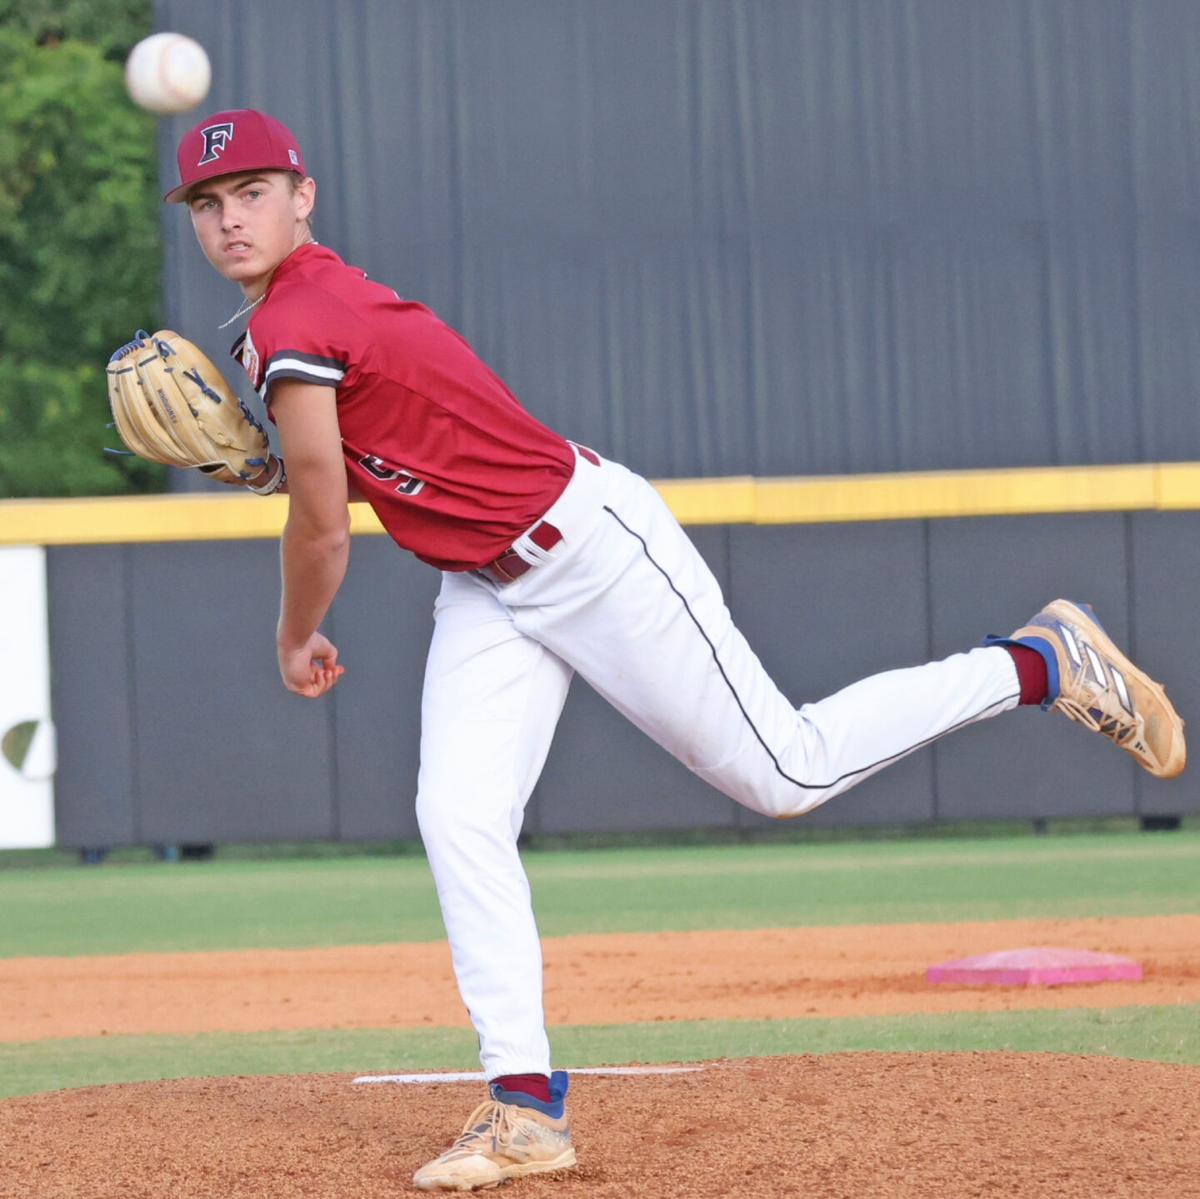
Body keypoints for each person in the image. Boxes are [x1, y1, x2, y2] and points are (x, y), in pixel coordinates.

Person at [165, 109, 1185, 1192]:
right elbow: (379, 460)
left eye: (255, 192)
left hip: (592, 553)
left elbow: (325, 527)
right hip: (486, 584)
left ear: (303, 195)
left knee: (785, 771)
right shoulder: (279, 325)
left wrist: (293, 631)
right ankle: (524, 1108)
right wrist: (291, 468)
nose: (233, 218)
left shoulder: (300, 318)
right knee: (457, 813)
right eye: (210, 205)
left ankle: (1038, 661)